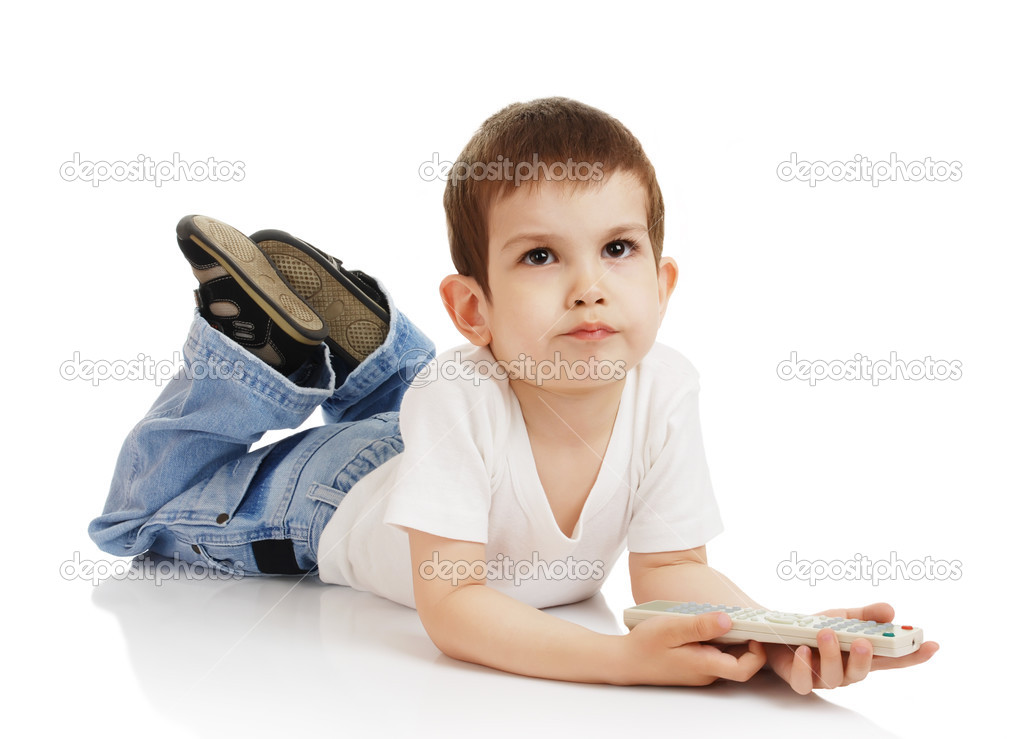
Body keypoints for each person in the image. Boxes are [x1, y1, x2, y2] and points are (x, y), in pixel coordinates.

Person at [88, 97, 937, 693]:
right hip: (333, 500)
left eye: (616, 248)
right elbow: (453, 606)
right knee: (135, 519)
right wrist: (620, 662)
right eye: (540, 256)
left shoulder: (665, 384)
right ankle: (250, 357)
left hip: (441, 448)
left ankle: (380, 362)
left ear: (662, 280)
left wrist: (779, 636)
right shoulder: (461, 397)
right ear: (471, 306)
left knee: (455, 390)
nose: (588, 287)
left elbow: (672, 569)